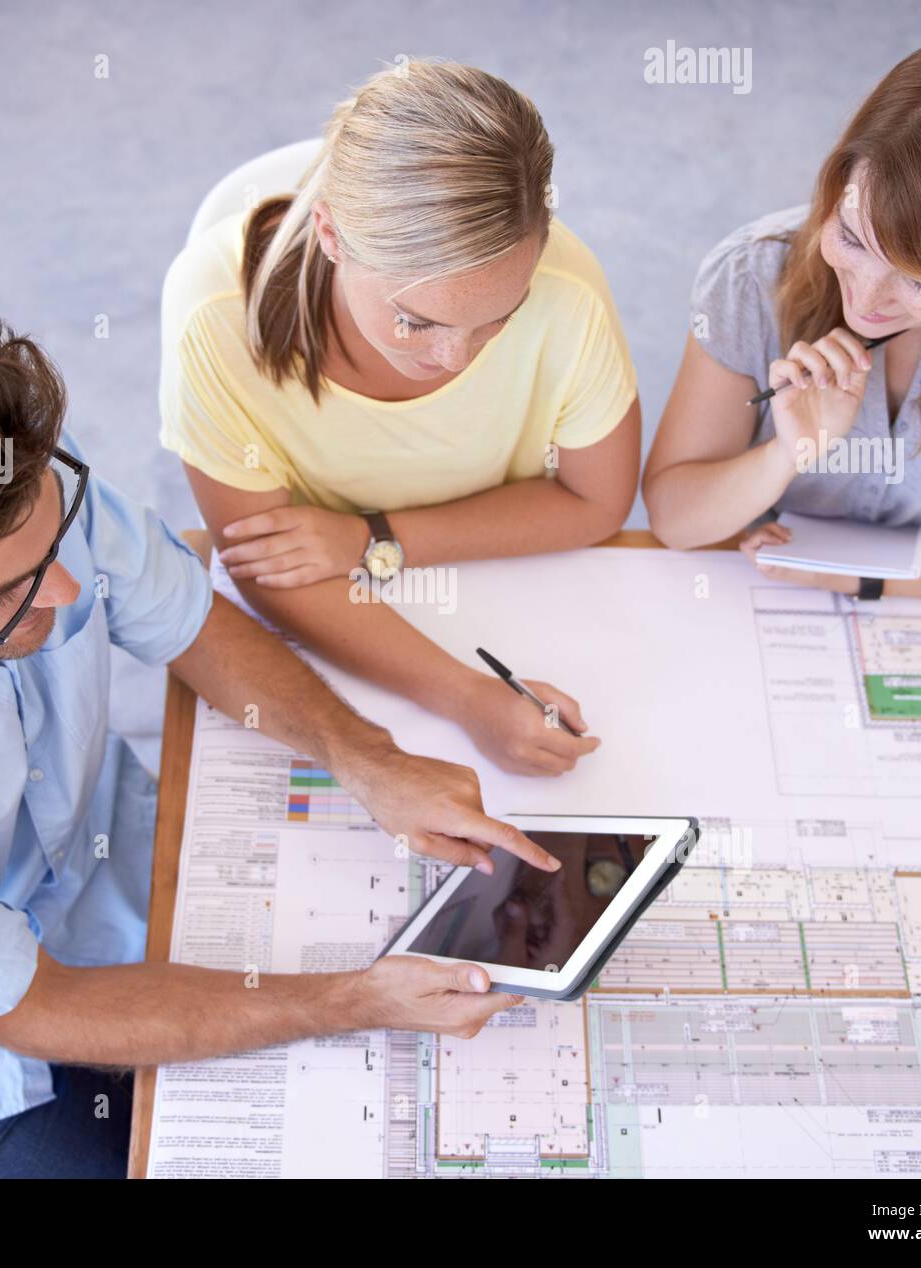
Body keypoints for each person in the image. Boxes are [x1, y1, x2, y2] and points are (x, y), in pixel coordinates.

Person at [0, 291, 556, 1179]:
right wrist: (353, 1000)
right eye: (1, 597)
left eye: (57, 539)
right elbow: (38, 1003)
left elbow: (186, 620)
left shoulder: (5, 480)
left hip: (111, 874)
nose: (65, 596)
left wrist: (371, 762)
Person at [159, 59, 641, 776]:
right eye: (417, 321)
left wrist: (372, 539)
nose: (453, 359)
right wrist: (467, 699)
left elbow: (597, 501)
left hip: (447, 585)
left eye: (496, 320)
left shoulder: (568, 294)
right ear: (329, 232)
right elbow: (267, 563)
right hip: (347, 619)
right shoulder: (212, 318)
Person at [642, 29, 921, 603]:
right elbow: (675, 520)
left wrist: (857, 577)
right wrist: (786, 454)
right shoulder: (751, 277)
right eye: (854, 239)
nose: (865, 299)